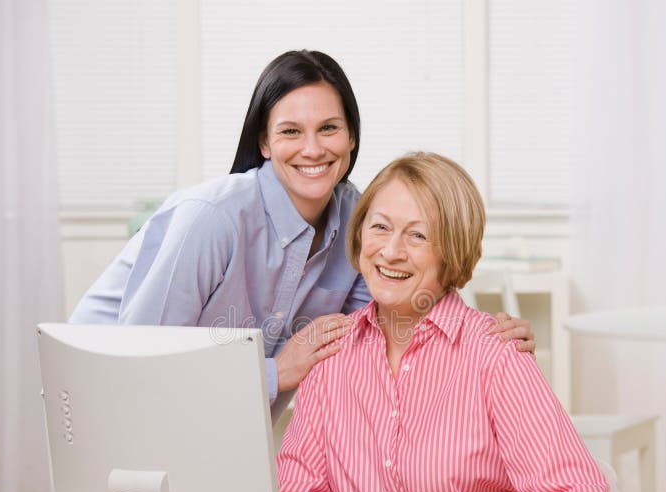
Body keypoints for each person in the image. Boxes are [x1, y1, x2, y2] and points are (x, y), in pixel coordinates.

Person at [68, 50, 534, 420]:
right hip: (113, 406)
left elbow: (384, 328)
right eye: (291, 131)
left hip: (215, 423)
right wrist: (278, 371)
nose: (313, 149)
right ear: (265, 143)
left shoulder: (362, 219)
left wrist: (484, 340)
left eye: (329, 128)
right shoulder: (210, 218)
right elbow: (140, 363)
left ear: (352, 138)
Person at [236, 153, 620, 492]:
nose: (391, 251)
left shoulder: (496, 355)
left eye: (417, 235)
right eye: (380, 227)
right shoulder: (332, 358)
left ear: (452, 252)